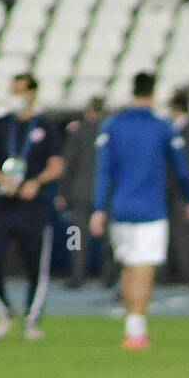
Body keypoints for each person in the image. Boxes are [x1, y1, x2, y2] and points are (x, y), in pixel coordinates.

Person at [90, 72, 189, 350]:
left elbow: (103, 170)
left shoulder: (113, 125)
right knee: (144, 268)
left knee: (128, 266)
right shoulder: (162, 127)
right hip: (151, 209)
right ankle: (136, 330)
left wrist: (99, 208)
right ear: (153, 93)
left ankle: (131, 325)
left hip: (120, 208)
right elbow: (182, 169)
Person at [0, 73, 64, 341]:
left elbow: (57, 164)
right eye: (12, 91)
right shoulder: (0, 124)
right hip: (3, 204)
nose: (15, 96)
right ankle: (4, 309)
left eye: (20, 91)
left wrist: (36, 182)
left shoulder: (46, 126)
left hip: (33, 207)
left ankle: (32, 319)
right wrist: (0, 178)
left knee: (35, 264)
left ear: (32, 93)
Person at [58, 96, 110, 288]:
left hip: (79, 191)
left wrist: (63, 191)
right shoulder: (108, 131)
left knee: (77, 236)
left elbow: (68, 162)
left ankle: (76, 275)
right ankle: (108, 276)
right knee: (106, 236)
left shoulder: (78, 131)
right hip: (104, 192)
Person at [165, 88, 189, 285]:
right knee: (172, 234)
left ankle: (187, 274)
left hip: (184, 191)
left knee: (184, 235)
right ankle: (172, 273)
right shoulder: (171, 129)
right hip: (170, 191)